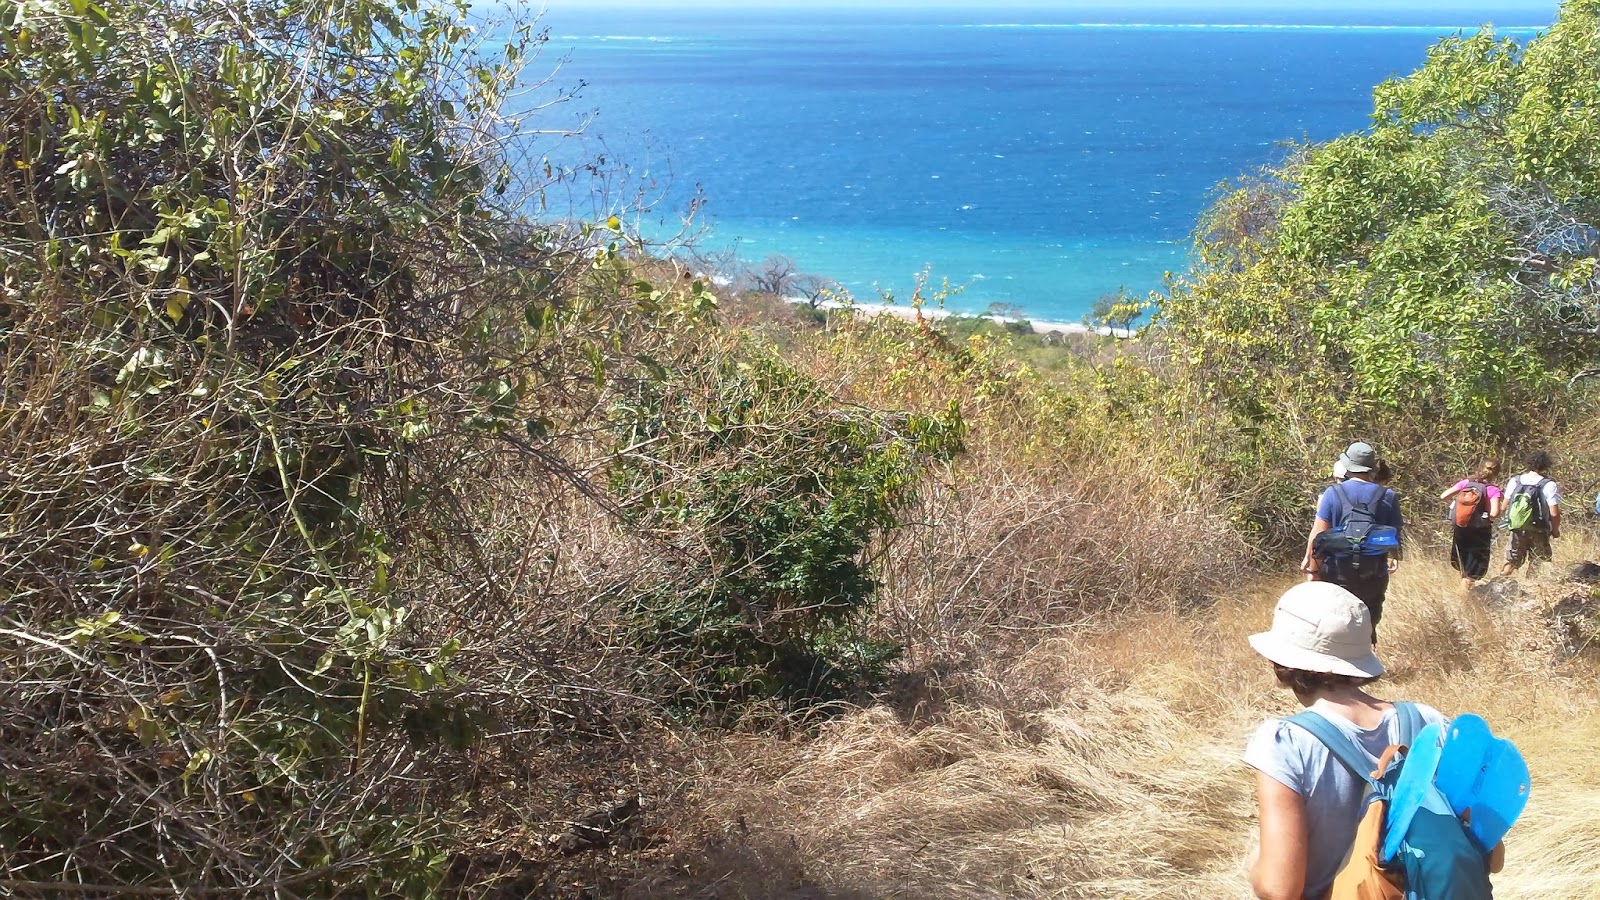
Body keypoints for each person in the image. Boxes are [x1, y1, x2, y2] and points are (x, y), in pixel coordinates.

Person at [1243, 582, 1502, 900]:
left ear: (1283, 662)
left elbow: (1280, 889)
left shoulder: (1284, 743)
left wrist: (1254, 865)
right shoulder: (1429, 723)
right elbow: (1493, 855)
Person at [1300, 442, 1403, 639]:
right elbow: (1394, 534)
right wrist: (1395, 556)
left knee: (1334, 624)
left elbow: (1318, 534)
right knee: (1367, 624)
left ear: (1347, 466)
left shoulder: (1333, 493)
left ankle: (1336, 666)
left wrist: (1313, 569)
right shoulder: (1388, 496)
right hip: (1373, 574)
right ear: (1371, 467)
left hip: (1336, 573)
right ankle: (1366, 660)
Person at [1440, 459, 1503, 590]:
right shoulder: (1493, 490)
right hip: (1479, 533)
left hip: (1461, 528)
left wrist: (1454, 506)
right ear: (1496, 473)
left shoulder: (1466, 483)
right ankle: (1462, 601)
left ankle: (1464, 594)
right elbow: (1495, 512)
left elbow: (1444, 496)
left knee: (1463, 566)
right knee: (1472, 572)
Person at [1499, 450, 1561, 578]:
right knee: (1537, 559)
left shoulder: (1515, 481)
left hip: (1517, 527)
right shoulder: (1549, 484)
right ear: (1546, 465)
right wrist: (1555, 530)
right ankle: (1530, 584)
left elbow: (1504, 506)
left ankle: (1502, 579)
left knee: (1512, 559)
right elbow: (1554, 513)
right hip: (1539, 528)